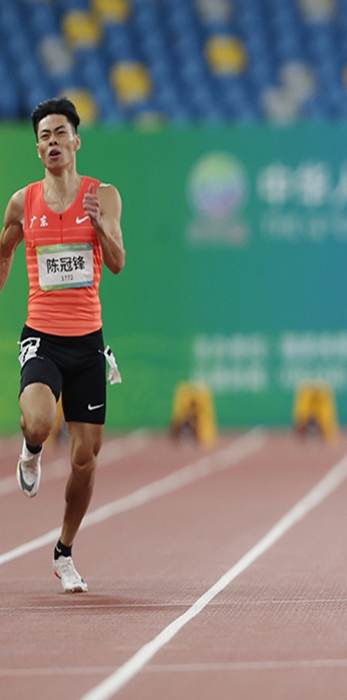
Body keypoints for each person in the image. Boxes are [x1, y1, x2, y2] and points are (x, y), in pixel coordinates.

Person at [0, 97, 126, 592]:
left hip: (88, 342)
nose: (52, 142)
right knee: (39, 419)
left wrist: (97, 224)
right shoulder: (21, 202)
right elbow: (5, 249)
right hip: (42, 337)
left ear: (77, 141)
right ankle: (30, 449)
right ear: (37, 149)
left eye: (60, 133)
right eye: (44, 136)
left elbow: (117, 262)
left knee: (85, 458)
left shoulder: (103, 195)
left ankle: (64, 550)